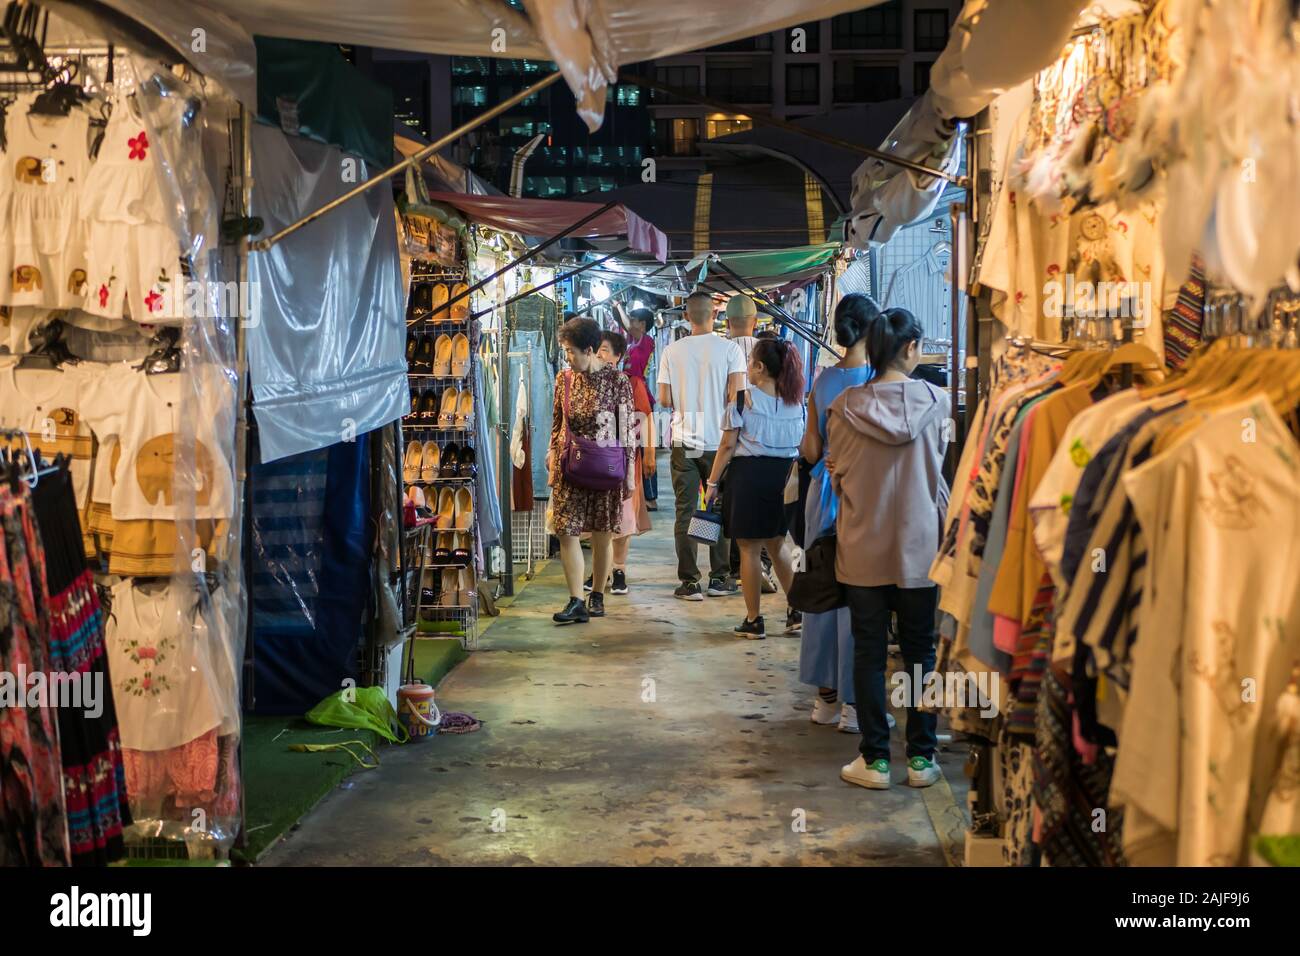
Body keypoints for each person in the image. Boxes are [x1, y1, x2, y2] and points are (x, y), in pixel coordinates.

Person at [827, 307, 950, 790]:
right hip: (921, 548)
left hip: (863, 546)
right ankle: (921, 758)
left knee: (869, 653)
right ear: (911, 348)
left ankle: (875, 759)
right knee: (921, 653)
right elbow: (940, 468)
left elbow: (838, 476)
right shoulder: (938, 402)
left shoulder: (844, 407)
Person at [797, 293, 877, 733]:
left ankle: (825, 699)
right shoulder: (880, 379)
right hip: (863, 493)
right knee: (860, 597)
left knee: (821, 589)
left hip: (821, 493)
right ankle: (854, 704)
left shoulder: (823, 380)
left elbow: (810, 449)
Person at [703, 338, 805, 638]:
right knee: (777, 544)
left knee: (748, 548)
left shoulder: (742, 400)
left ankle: (753, 620)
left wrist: (712, 483)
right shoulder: (796, 403)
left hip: (749, 476)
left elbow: (727, 446)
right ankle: (795, 611)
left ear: (759, 367)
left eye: (750, 361)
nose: (747, 366)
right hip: (785, 478)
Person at [546, 317, 635, 625]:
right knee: (566, 530)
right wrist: (551, 455)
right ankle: (576, 600)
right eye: (565, 351)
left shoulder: (618, 381)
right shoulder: (564, 379)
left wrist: (630, 474)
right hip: (570, 464)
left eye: (571, 351)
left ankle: (597, 594)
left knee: (602, 533)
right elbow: (557, 423)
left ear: (589, 350)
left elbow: (627, 429)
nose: (568, 357)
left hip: (606, 467)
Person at [658, 291, 746, 600]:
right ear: (715, 315)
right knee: (717, 506)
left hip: (686, 441)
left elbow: (664, 399)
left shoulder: (671, 351)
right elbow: (737, 396)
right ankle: (719, 578)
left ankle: (689, 581)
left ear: (686, 317)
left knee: (686, 510)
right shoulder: (731, 350)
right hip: (720, 441)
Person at [582, 330, 653, 595]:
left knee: (623, 517)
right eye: (596, 349)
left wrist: (649, 453)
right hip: (594, 460)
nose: (599, 354)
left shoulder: (632, 383)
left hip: (624, 460)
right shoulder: (585, 382)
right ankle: (599, 570)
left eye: (604, 349)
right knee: (598, 517)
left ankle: (619, 569)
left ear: (618, 355)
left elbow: (646, 417)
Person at [724, 294, 779, 596]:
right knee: (769, 516)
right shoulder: (768, 350)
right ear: (755, 321)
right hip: (772, 445)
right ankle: (765, 566)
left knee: (738, 513)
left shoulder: (722, 349)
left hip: (733, 439)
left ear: (727, 322)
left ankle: (739, 569)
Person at [615, 303, 659, 512]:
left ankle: (651, 496)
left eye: (634, 320)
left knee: (644, 446)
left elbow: (628, 327)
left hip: (640, 396)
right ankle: (641, 493)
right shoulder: (633, 343)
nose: (630, 324)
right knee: (634, 447)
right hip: (630, 396)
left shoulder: (646, 341)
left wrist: (618, 306)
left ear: (642, 324)